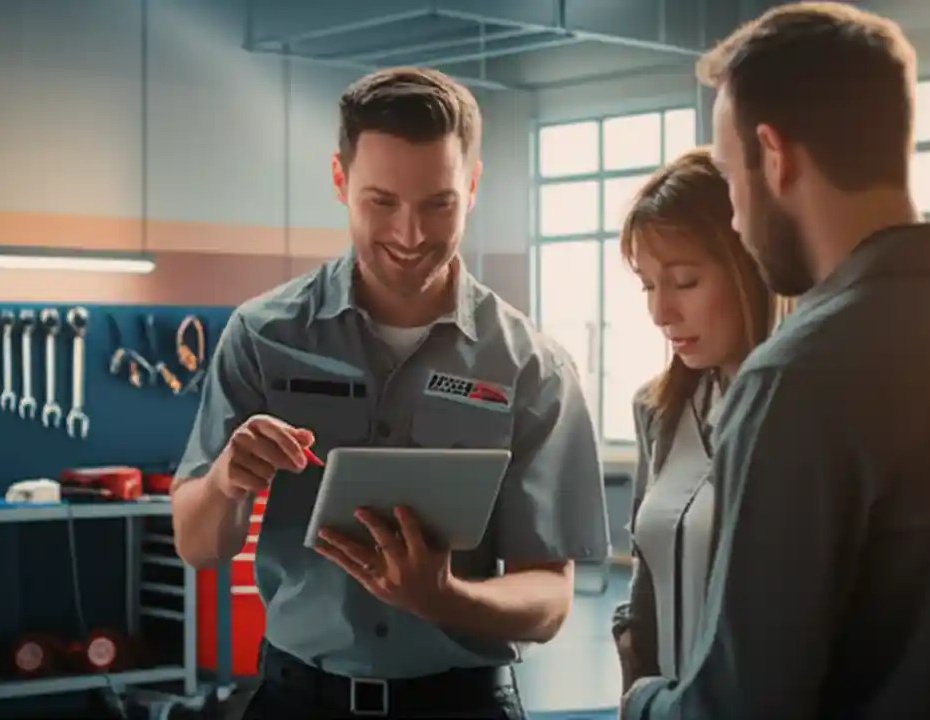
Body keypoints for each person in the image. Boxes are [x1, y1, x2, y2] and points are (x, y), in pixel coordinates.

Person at [622, 3, 930, 719]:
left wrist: (642, 703)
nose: (737, 221)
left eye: (731, 178)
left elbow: (740, 707)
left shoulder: (794, 381)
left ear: (775, 158)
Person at [170, 67, 610, 720]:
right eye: (382, 202)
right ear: (340, 181)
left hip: (462, 704)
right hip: (297, 701)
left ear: (474, 185)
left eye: (439, 203)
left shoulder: (532, 367)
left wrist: (444, 597)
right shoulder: (262, 335)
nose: (410, 235)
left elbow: (548, 597)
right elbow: (197, 546)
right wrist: (228, 480)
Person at [608, 149, 779, 695]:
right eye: (649, 286)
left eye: (683, 282)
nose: (661, 313)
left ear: (747, 268)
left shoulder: (797, 414)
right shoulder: (658, 413)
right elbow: (643, 585)